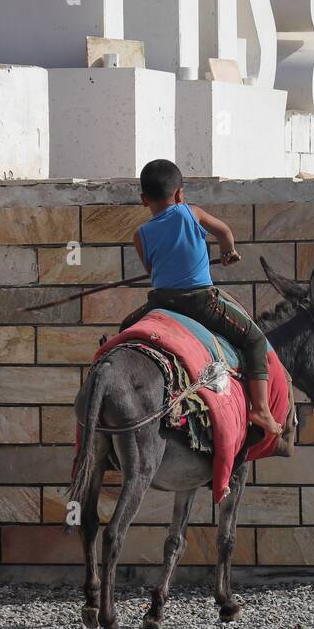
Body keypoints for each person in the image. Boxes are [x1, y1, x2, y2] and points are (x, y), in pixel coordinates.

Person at [128, 159, 282, 437]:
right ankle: (261, 409)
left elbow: (152, 271)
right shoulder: (191, 212)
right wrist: (227, 251)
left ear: (143, 200)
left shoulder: (140, 235)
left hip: (161, 302)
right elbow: (224, 232)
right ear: (180, 194)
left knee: (125, 330)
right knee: (255, 339)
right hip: (200, 302)